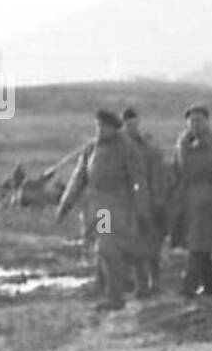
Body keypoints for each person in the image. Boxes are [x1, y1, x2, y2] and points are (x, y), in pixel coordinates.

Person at [56, 110, 146, 311]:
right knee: (107, 250)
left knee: (109, 249)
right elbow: (78, 178)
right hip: (99, 209)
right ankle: (114, 290)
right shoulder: (91, 148)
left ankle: (117, 295)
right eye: (97, 126)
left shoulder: (126, 148)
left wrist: (141, 207)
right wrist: (65, 205)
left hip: (119, 208)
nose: (100, 130)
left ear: (114, 128)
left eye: (104, 127)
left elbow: (138, 180)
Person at [169, 104, 212, 297]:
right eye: (191, 121)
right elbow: (175, 169)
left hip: (206, 199)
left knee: (197, 244)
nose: (195, 124)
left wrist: (211, 194)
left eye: (199, 120)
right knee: (199, 244)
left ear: (207, 121)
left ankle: (188, 287)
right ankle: (210, 285)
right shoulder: (182, 143)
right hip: (186, 199)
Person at [122, 106, 169, 296]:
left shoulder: (149, 148)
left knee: (151, 246)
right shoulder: (117, 147)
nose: (132, 127)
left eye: (134, 123)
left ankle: (153, 282)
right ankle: (135, 283)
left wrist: (158, 201)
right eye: (128, 124)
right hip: (122, 205)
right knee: (121, 244)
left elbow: (156, 176)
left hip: (147, 203)